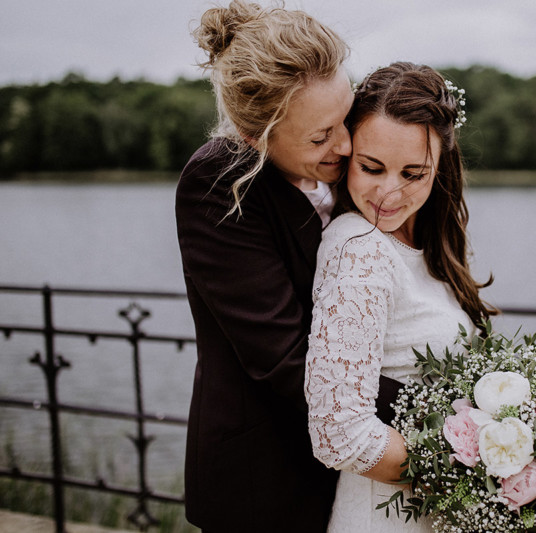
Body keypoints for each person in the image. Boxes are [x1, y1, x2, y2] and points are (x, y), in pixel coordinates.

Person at [175, 3, 402, 531]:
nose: (345, 144)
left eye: (345, 118)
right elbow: (285, 358)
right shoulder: (217, 184)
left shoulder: (350, 169)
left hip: (356, 468)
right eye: (320, 137)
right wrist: (450, 409)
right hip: (265, 481)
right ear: (254, 136)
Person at [305, 62, 495, 533]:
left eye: (413, 173)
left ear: (440, 167)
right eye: (371, 167)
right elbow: (338, 434)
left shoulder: (429, 245)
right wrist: (480, 474)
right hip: (385, 517)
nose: (388, 192)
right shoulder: (359, 246)